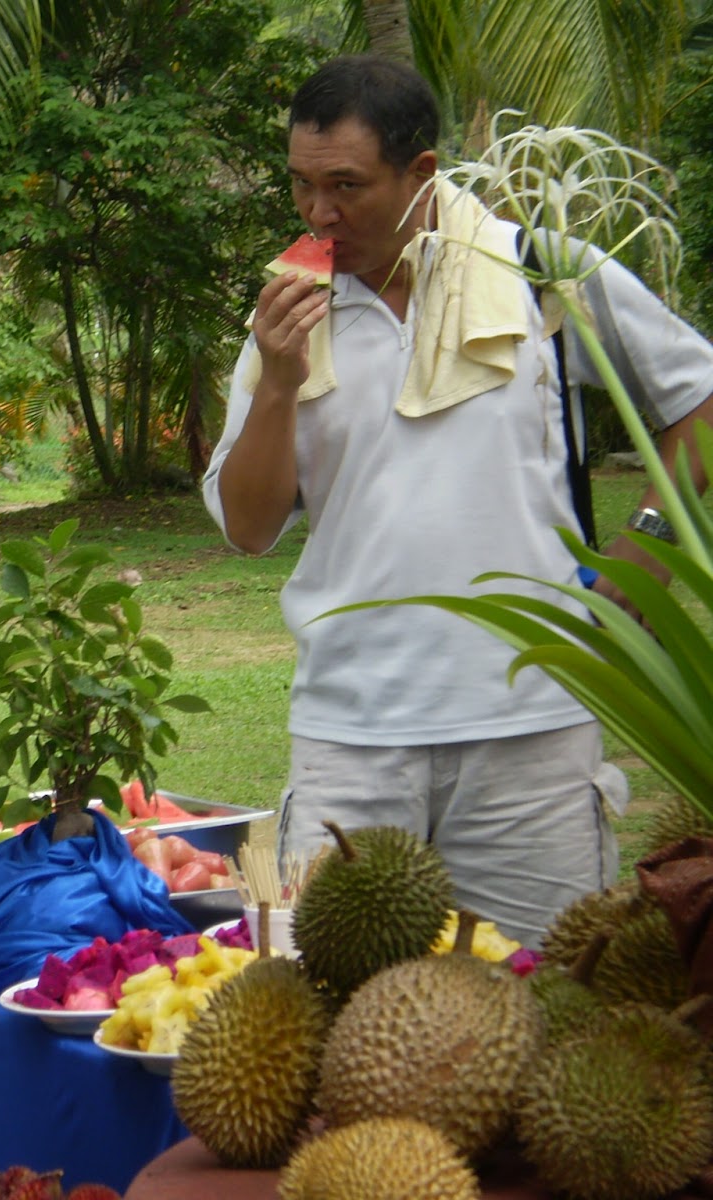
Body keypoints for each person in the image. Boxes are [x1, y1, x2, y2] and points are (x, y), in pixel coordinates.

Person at [202, 55, 713, 948]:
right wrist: (278, 383)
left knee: (547, 1004)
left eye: (347, 186)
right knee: (322, 1021)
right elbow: (247, 530)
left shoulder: (544, 275)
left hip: (535, 727)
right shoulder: (286, 318)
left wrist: (638, 564)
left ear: (422, 175)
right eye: (301, 187)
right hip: (351, 736)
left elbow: (698, 403)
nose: (320, 214)